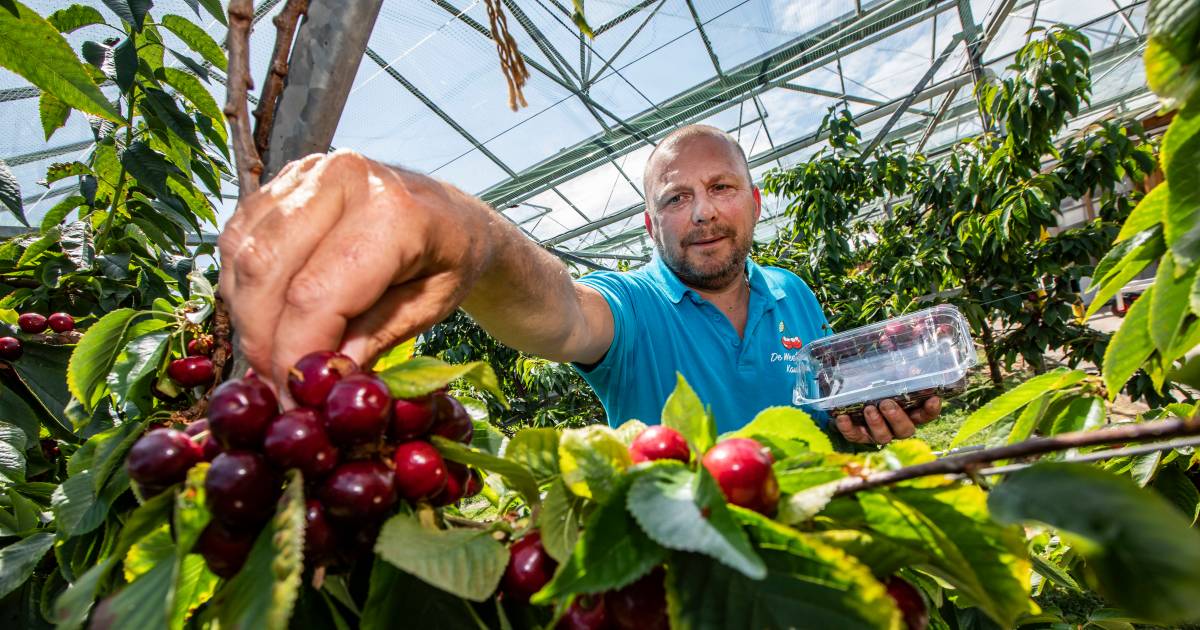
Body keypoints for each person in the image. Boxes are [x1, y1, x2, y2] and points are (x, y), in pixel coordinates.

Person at [218, 124, 940, 445]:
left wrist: (861, 435)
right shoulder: (634, 307)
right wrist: (475, 238)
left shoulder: (794, 293)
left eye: (720, 187)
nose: (702, 213)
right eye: (674, 199)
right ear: (648, 226)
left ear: (754, 202)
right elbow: (562, 315)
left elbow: (824, 414)